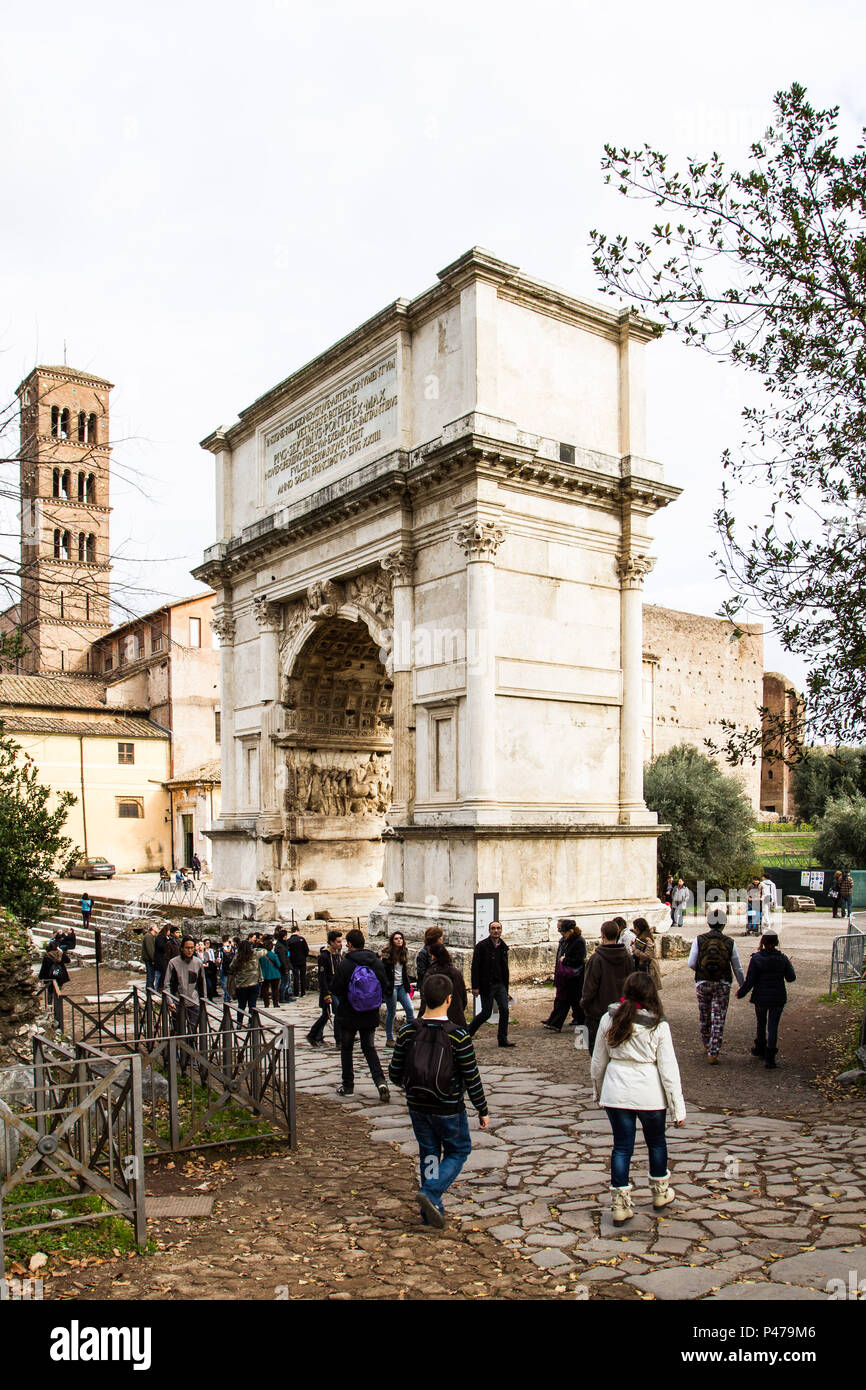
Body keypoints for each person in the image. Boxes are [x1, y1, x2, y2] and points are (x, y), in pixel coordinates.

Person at [389, 971, 490, 1228]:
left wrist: (411, 1086)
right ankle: (432, 1192)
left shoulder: (408, 1031)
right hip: (448, 1106)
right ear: (448, 999)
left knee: (430, 1153)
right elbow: (471, 1075)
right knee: (458, 1150)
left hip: (418, 1105)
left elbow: (394, 1072)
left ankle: (432, 1211)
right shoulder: (458, 1035)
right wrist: (482, 1108)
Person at [591, 971, 686, 1226]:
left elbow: (598, 1060)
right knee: (656, 1143)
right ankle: (660, 1192)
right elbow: (668, 1069)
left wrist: (598, 1090)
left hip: (616, 1089)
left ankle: (620, 1203)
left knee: (622, 1147)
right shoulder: (657, 1025)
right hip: (649, 1092)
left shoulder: (608, 1019)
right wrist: (678, 1107)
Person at [331, 927, 390, 1100]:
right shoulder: (375, 961)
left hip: (349, 1013)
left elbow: (336, 988)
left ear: (349, 944)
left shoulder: (346, 963)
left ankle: (348, 1086)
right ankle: (380, 1082)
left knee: (347, 1049)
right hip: (370, 1013)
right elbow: (385, 985)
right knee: (369, 1048)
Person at [688, 906, 745, 1063]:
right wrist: (743, 985)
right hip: (722, 982)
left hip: (702, 981)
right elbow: (737, 967)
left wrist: (701, 971)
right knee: (718, 1016)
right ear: (724, 924)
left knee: (704, 1014)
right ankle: (713, 1052)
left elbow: (691, 963)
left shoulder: (699, 939)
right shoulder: (729, 942)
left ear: (708, 923)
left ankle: (706, 1043)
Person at [737, 931, 797, 1069]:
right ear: (776, 943)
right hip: (777, 996)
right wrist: (789, 965)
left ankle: (760, 1047)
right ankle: (770, 1056)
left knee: (761, 1022)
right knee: (773, 1026)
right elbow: (791, 978)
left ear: (762, 942)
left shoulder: (756, 958)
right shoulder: (782, 959)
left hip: (761, 996)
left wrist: (742, 992)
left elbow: (750, 980)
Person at [580, 920, 634, 1052]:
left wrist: (585, 1004)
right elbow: (631, 982)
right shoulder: (627, 957)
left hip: (598, 1012)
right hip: (621, 1010)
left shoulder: (596, 959)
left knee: (595, 1047)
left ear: (602, 935)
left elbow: (589, 987)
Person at [467, 921, 514, 1048]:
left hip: (500, 985)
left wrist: (506, 988)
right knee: (486, 1013)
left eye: (498, 928)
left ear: (501, 930)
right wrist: (475, 986)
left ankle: (502, 1039)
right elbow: (475, 967)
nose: (496, 931)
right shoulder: (481, 946)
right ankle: (467, 1034)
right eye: (493, 928)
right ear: (489, 931)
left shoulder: (503, 947)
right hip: (486, 985)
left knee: (504, 1010)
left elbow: (505, 968)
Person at [542, 919, 586, 1031]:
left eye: (564, 932)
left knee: (567, 1000)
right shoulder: (567, 940)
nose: (563, 934)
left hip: (574, 976)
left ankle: (556, 1023)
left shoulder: (578, 941)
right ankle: (558, 1022)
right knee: (569, 1001)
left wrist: (565, 960)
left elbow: (579, 960)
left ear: (570, 931)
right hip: (567, 976)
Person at [163, 935, 206, 1038]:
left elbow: (202, 984)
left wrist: (203, 1002)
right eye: (187, 948)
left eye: (192, 948)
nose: (189, 950)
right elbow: (166, 984)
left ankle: (190, 1052)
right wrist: (170, 1001)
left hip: (194, 1003)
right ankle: (175, 1053)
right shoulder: (173, 963)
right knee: (178, 1032)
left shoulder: (198, 963)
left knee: (193, 1032)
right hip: (177, 1002)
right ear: (181, 948)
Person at [306, 929, 343, 1047]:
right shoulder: (324, 957)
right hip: (328, 990)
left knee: (326, 1015)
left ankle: (314, 1035)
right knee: (336, 1014)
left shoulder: (337, 955)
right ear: (331, 942)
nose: (340, 944)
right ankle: (339, 1040)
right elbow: (322, 978)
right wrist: (326, 994)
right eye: (338, 942)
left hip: (337, 990)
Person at [419, 940, 468, 1027]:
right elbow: (463, 995)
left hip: (434, 1020)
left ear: (433, 956)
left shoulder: (431, 973)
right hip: (456, 1018)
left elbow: (424, 997)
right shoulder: (455, 972)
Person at [381, 930, 415, 1046]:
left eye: (400, 938)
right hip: (392, 986)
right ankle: (389, 1038)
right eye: (396, 938)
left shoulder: (404, 952)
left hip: (402, 986)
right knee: (391, 1012)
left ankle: (411, 1035)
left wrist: (408, 985)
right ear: (392, 941)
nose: (399, 940)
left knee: (410, 1009)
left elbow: (404, 971)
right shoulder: (387, 953)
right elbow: (383, 971)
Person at [227, 938, 262, 1027]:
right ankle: (251, 1022)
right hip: (253, 983)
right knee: (252, 1005)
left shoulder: (238, 957)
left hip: (241, 984)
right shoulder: (254, 954)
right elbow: (264, 951)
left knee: (241, 1005)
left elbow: (231, 967)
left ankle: (239, 1023)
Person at [631, 918, 662, 990]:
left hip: (649, 969)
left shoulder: (647, 939)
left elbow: (647, 956)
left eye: (635, 928)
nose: (634, 929)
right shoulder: (639, 937)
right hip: (641, 967)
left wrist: (635, 950)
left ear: (638, 928)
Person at [415, 925, 443, 990]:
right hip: (427, 987)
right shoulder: (423, 953)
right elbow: (421, 973)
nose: (442, 939)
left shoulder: (441, 951)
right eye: (440, 937)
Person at [258, 936, 283, 1008]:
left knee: (265, 989)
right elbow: (278, 964)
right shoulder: (274, 955)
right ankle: (275, 1003)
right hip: (275, 974)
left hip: (265, 974)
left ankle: (266, 1004)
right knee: (275, 990)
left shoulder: (261, 956)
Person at [287, 924, 310, 997]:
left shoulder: (288, 941)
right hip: (302, 960)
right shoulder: (302, 939)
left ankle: (296, 993)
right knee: (303, 977)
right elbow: (306, 950)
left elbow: (288, 952)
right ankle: (303, 992)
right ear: (297, 931)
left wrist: (289, 959)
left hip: (293, 961)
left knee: (296, 977)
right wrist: (304, 957)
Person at [274, 929, 293, 1004]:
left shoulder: (282, 944)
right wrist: (286, 968)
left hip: (286, 965)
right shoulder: (280, 946)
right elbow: (283, 958)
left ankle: (286, 996)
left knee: (287, 982)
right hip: (284, 967)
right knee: (284, 983)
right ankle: (282, 998)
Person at [153, 924, 171, 992]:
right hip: (160, 959)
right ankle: (158, 988)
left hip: (164, 959)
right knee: (160, 974)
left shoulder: (166, 937)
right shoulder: (160, 937)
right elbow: (162, 947)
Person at [140, 923, 159, 991]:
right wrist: (153, 959)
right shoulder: (149, 936)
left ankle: (150, 988)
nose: (158, 928)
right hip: (149, 959)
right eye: (156, 927)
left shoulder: (151, 936)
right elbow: (150, 949)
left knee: (151, 975)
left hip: (149, 959)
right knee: (150, 975)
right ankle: (149, 989)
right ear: (153, 928)